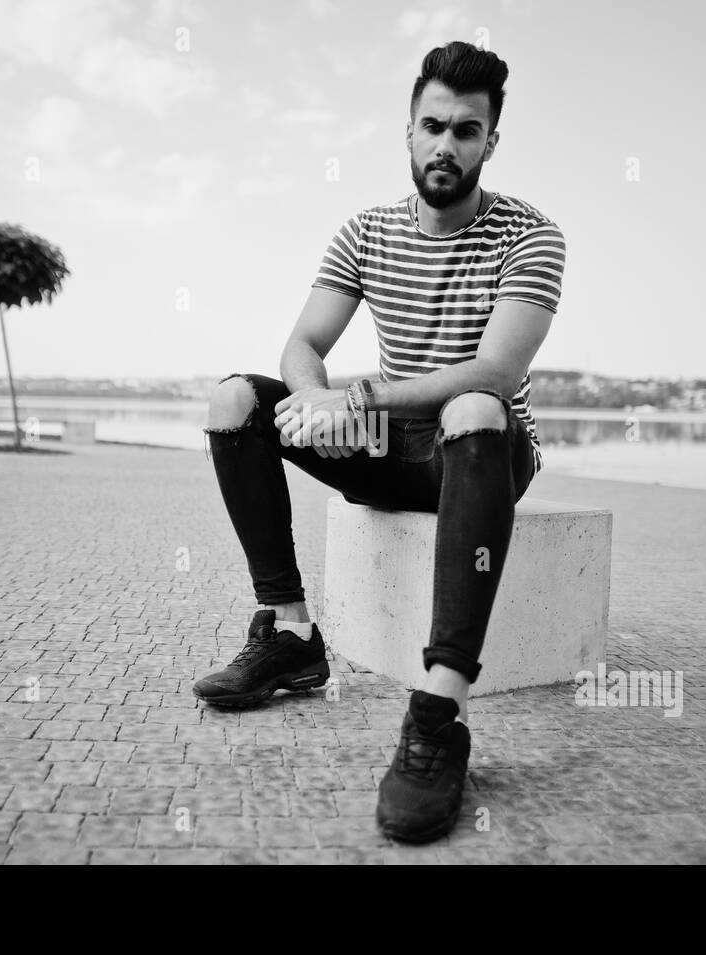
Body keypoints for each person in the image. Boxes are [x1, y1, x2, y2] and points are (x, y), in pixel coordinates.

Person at [195, 40, 566, 844]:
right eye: (432, 126)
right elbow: (302, 344)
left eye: (467, 131)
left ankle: (439, 713)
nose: (446, 144)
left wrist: (356, 394)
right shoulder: (364, 231)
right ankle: (290, 633)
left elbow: (498, 371)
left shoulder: (531, 237)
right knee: (234, 400)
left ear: (490, 143)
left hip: (484, 450)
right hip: (389, 444)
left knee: (471, 407)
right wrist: (317, 400)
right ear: (406, 131)